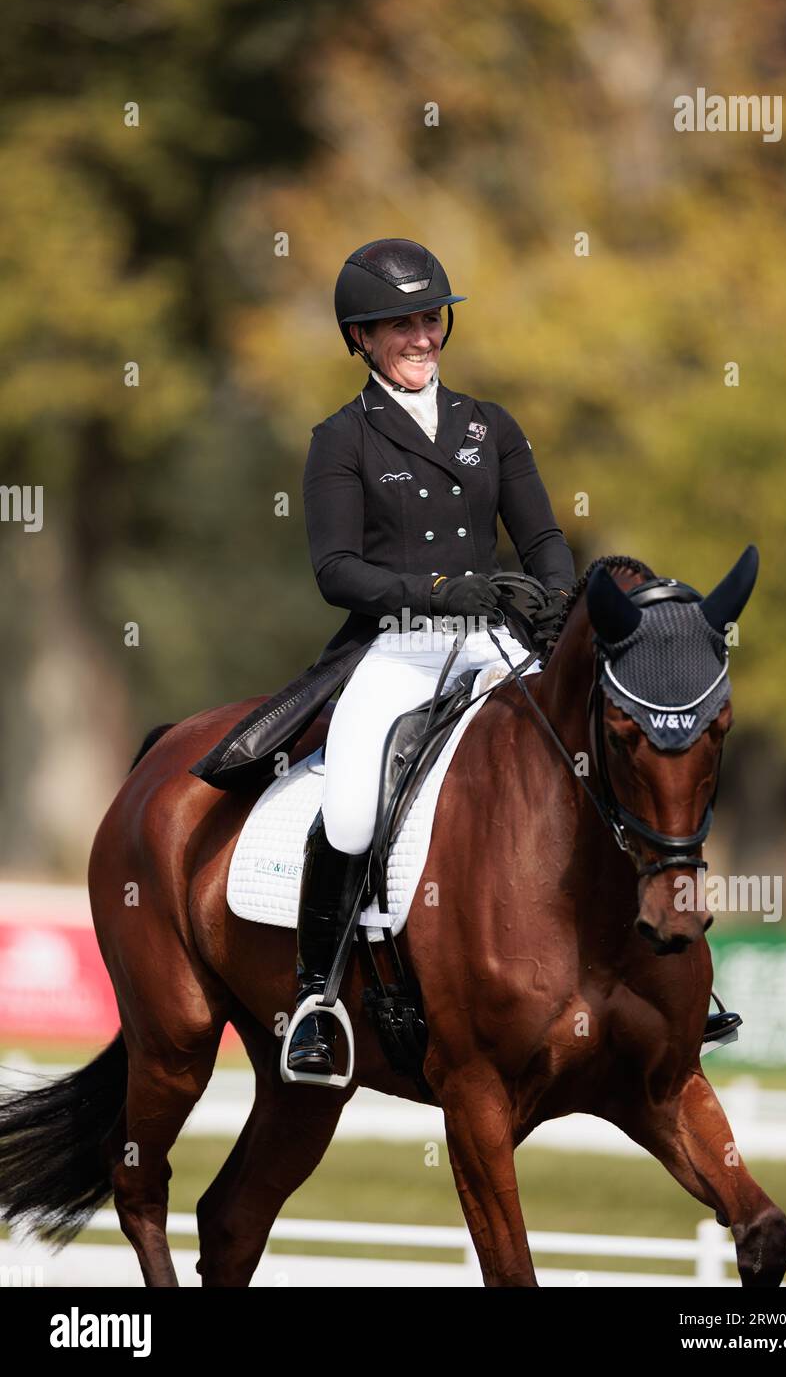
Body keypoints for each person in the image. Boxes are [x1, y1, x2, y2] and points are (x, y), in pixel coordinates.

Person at [286, 238, 575, 1074]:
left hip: (494, 647)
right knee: (348, 809)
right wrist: (444, 591)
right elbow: (336, 571)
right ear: (362, 340)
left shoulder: (491, 425)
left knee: (584, 758)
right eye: (397, 325)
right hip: (398, 649)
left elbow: (546, 539)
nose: (420, 337)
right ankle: (315, 999)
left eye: (428, 319)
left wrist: (553, 607)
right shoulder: (341, 439)